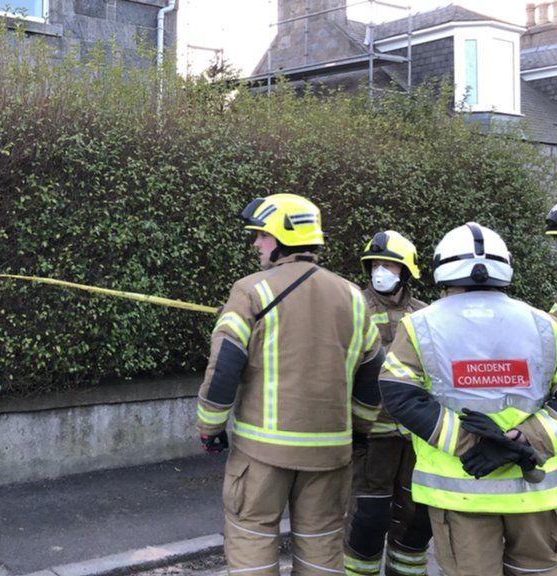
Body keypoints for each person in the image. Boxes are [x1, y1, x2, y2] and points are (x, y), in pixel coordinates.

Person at [196, 193, 384, 575]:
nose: (256, 244)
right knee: (321, 548)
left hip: (262, 454)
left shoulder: (251, 291)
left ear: (281, 237)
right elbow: (372, 374)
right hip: (331, 455)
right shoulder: (354, 297)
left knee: (252, 539)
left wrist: (209, 427)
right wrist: (360, 431)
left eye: (261, 235)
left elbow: (225, 365)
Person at [380, 222, 557, 576]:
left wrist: (472, 445)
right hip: (535, 487)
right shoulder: (545, 325)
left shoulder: (421, 325)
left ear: (442, 267)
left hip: (460, 493)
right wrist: (520, 440)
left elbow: (399, 393)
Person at [344, 231, 432, 576]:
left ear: (406, 271)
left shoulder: (426, 315)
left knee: (414, 521)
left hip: (416, 438)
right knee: (367, 519)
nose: (380, 271)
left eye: (389, 265)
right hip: (371, 438)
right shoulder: (353, 307)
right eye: (375, 264)